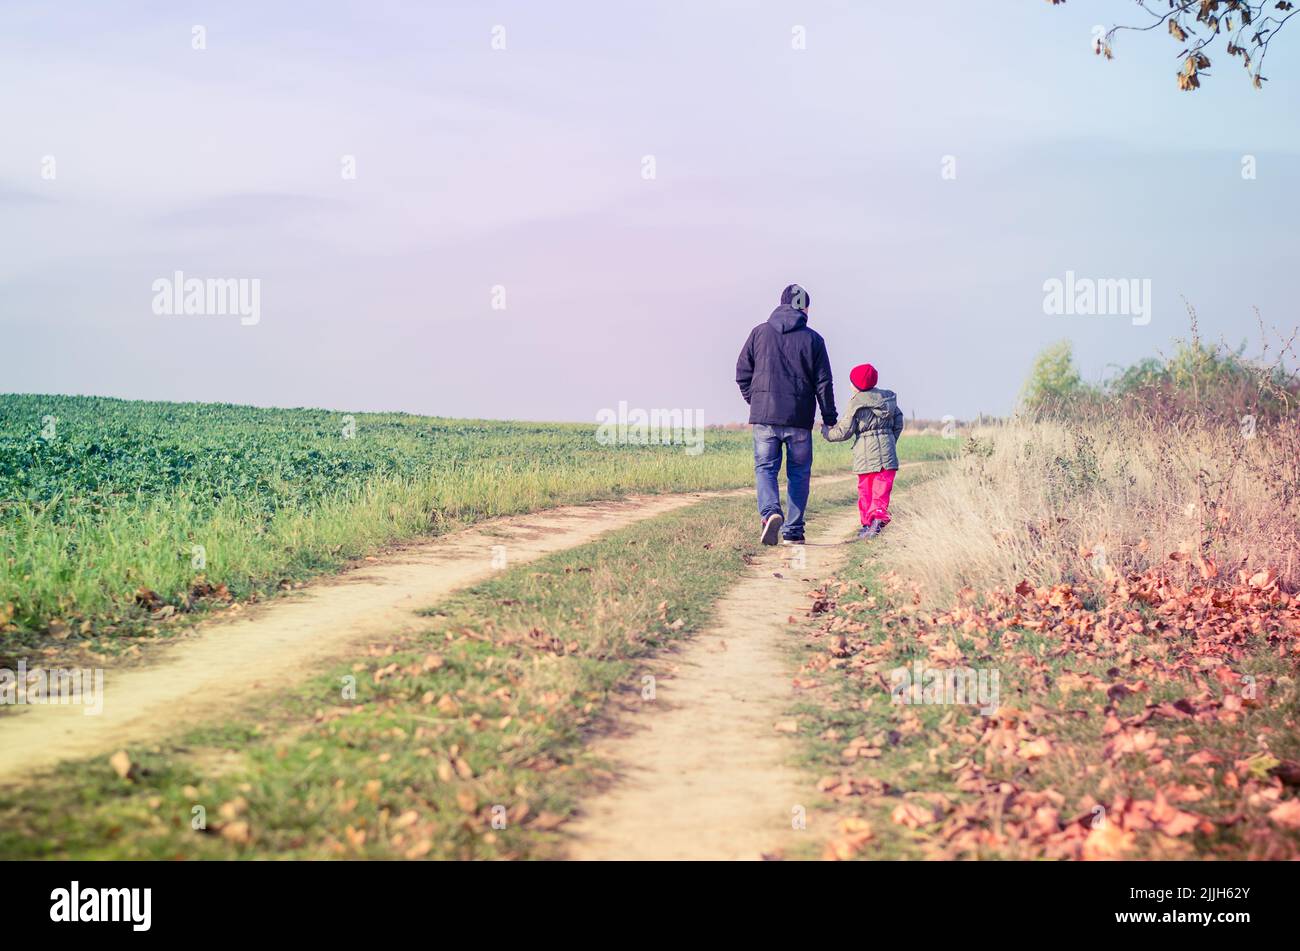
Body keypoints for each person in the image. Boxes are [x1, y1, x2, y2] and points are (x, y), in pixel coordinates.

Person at [735, 284, 837, 545]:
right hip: (799, 420)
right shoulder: (814, 340)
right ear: (804, 308)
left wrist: (756, 401)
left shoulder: (759, 333)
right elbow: (824, 383)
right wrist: (829, 418)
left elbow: (742, 374)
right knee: (799, 472)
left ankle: (770, 512)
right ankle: (793, 530)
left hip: (765, 418)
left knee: (765, 468)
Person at [821, 363, 904, 539]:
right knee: (881, 489)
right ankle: (878, 518)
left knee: (865, 490)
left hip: (865, 457)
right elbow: (899, 422)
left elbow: (844, 431)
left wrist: (827, 433)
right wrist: (890, 440)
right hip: (887, 456)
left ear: (856, 385)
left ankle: (867, 524)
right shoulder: (888, 400)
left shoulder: (856, 403)